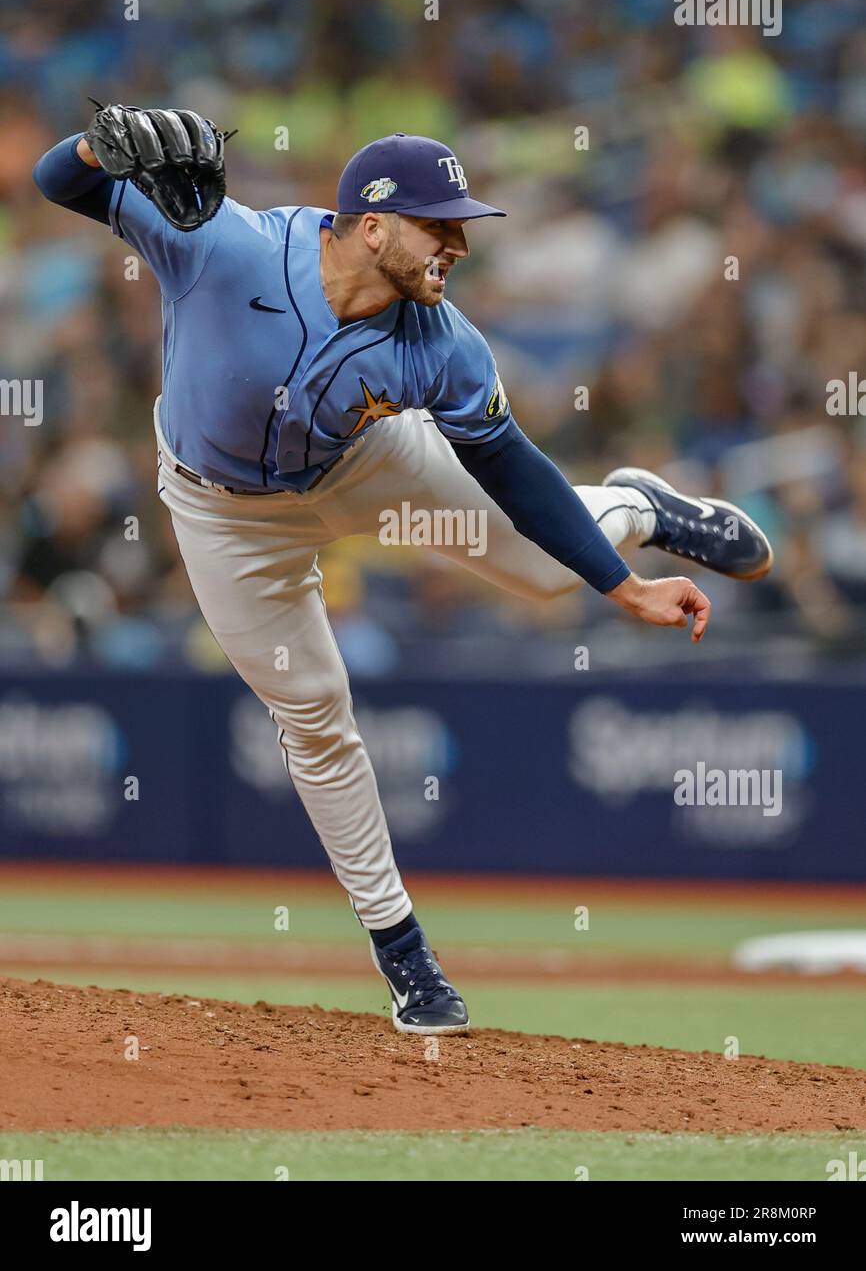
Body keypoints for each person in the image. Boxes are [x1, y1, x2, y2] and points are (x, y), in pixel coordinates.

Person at [33, 113, 772, 1034]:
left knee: (549, 581)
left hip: (367, 465)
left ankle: (641, 509)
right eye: (440, 224)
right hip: (222, 510)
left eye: (461, 226)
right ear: (372, 225)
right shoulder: (224, 245)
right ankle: (406, 956)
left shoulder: (441, 340)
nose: (458, 244)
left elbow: (512, 466)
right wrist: (97, 149)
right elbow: (56, 181)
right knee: (313, 714)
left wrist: (621, 586)